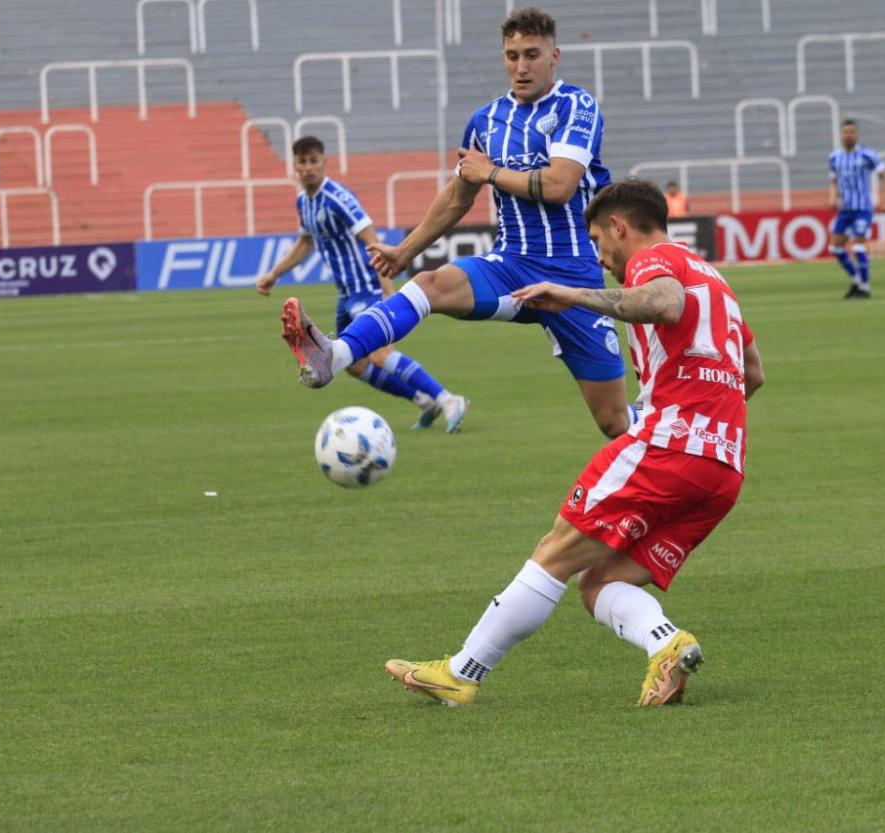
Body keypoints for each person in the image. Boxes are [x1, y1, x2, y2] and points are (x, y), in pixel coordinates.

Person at [384, 179, 764, 708]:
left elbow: (665, 302)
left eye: (597, 241)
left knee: (554, 554)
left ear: (619, 226)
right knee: (598, 582)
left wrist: (575, 295)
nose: (600, 256)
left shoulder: (654, 264)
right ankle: (668, 645)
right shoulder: (717, 280)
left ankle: (462, 673)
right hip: (723, 468)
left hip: (668, 447)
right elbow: (753, 372)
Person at [277, 7, 633, 438]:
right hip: (510, 266)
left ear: (554, 56)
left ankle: (672, 426)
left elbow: (560, 184)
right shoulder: (484, 122)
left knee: (614, 422)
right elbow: (457, 198)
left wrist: (491, 173)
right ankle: (332, 356)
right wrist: (405, 251)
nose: (521, 67)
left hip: (576, 279)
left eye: (532, 55)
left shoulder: (576, 106)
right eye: (512, 55)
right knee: (430, 285)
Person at [257, 137, 467, 431]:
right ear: (294, 167)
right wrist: (274, 273)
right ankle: (424, 401)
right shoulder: (303, 202)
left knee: (380, 353)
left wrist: (387, 290)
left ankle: (448, 399)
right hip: (345, 294)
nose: (308, 168)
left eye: (313, 161)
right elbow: (306, 243)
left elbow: (372, 241)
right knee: (353, 365)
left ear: (324, 162)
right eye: (302, 162)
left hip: (365, 286)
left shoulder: (337, 197)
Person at [828, 120, 885, 299]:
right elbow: (833, 180)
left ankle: (865, 288)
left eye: (852, 132)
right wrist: (832, 198)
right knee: (836, 249)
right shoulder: (834, 158)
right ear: (841, 134)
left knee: (858, 247)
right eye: (846, 132)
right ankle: (858, 280)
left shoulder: (867, 155)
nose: (849, 135)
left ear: (857, 134)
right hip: (845, 210)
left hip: (863, 208)